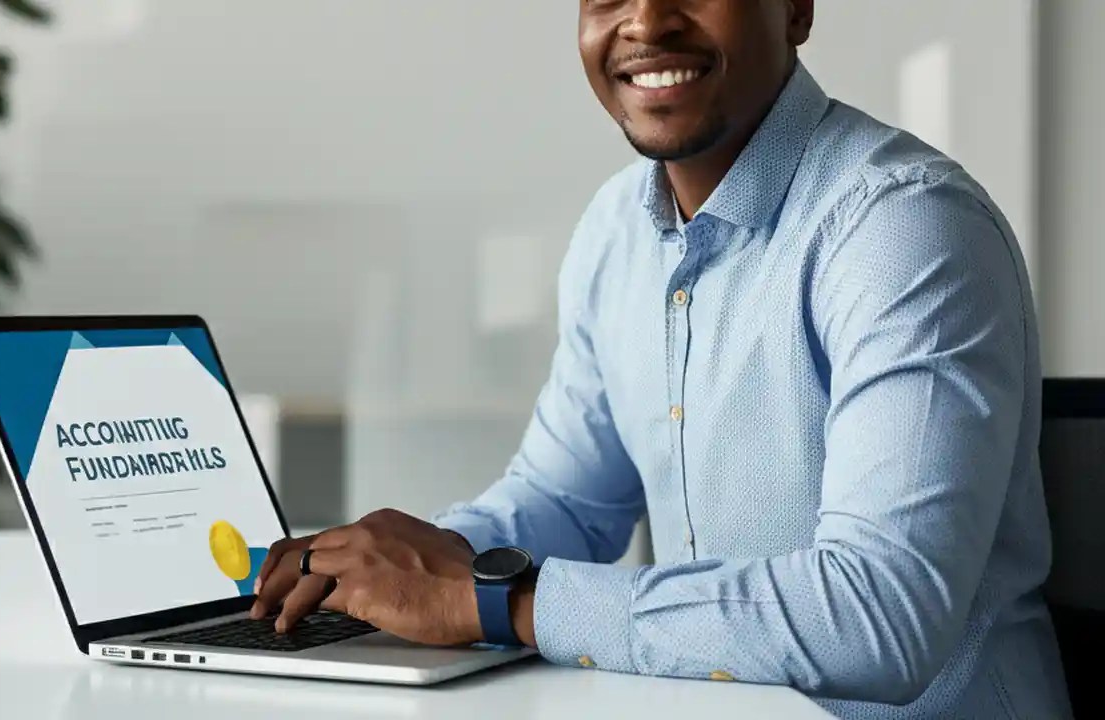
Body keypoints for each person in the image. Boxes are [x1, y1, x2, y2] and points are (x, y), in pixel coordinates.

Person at [250, 1, 1071, 716]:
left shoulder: (904, 229)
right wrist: (378, 579)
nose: (646, 21)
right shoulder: (615, 230)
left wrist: (492, 602)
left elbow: (878, 616)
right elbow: (566, 503)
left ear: (795, 8)